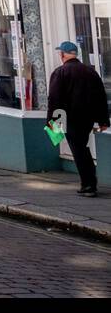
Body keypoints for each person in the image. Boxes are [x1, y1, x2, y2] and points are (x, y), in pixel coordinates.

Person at [47, 41, 110, 197]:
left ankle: (89, 185)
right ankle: (88, 183)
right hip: (87, 119)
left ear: (63, 55)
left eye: (59, 53)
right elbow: (101, 97)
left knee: (79, 150)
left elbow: (55, 99)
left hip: (71, 119)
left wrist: (53, 123)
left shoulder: (60, 73)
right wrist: (103, 120)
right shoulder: (91, 72)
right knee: (81, 147)